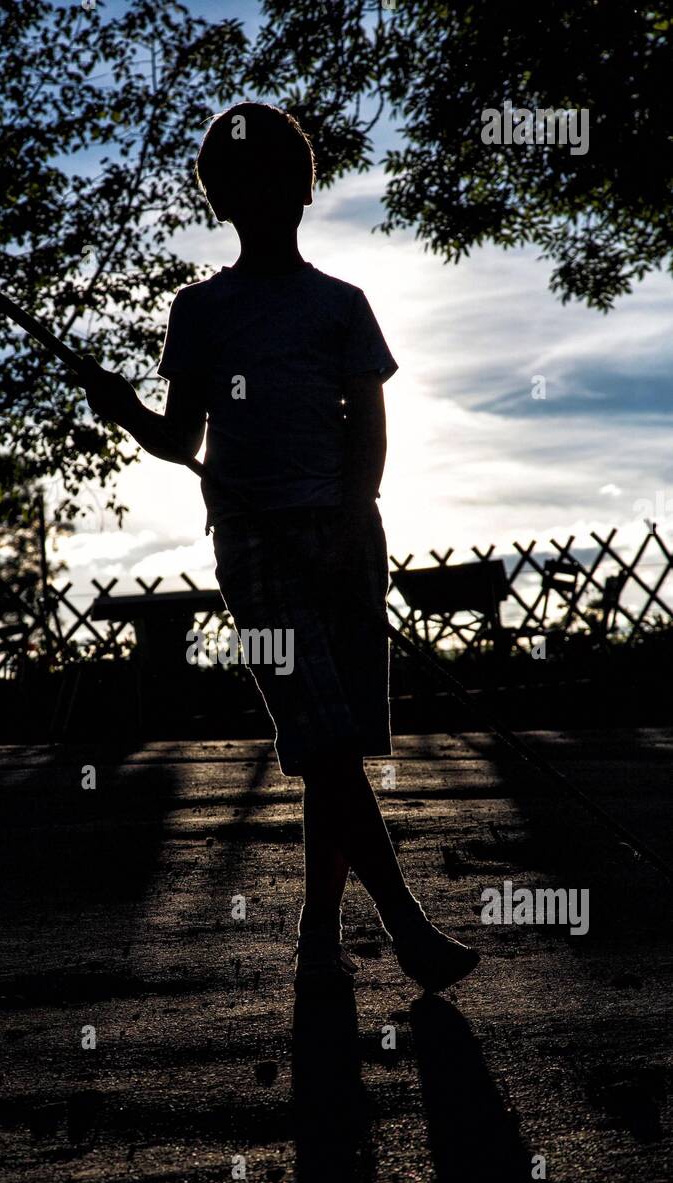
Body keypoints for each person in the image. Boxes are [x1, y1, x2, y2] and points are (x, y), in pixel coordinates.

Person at [82, 102, 479, 994]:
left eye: (272, 181)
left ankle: (316, 934)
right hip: (252, 542)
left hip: (347, 537)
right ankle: (408, 926)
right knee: (326, 742)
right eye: (237, 185)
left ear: (302, 190)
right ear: (220, 201)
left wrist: (349, 522)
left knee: (328, 748)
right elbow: (180, 438)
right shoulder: (202, 310)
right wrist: (121, 408)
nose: (257, 199)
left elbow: (370, 430)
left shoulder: (342, 307)